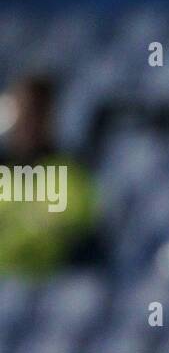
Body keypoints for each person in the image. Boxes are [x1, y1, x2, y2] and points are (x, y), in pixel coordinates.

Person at [0, 74, 99, 276]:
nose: (21, 124)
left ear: (46, 118)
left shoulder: (68, 172)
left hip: (51, 284)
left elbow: (66, 226)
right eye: (16, 113)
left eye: (30, 113)